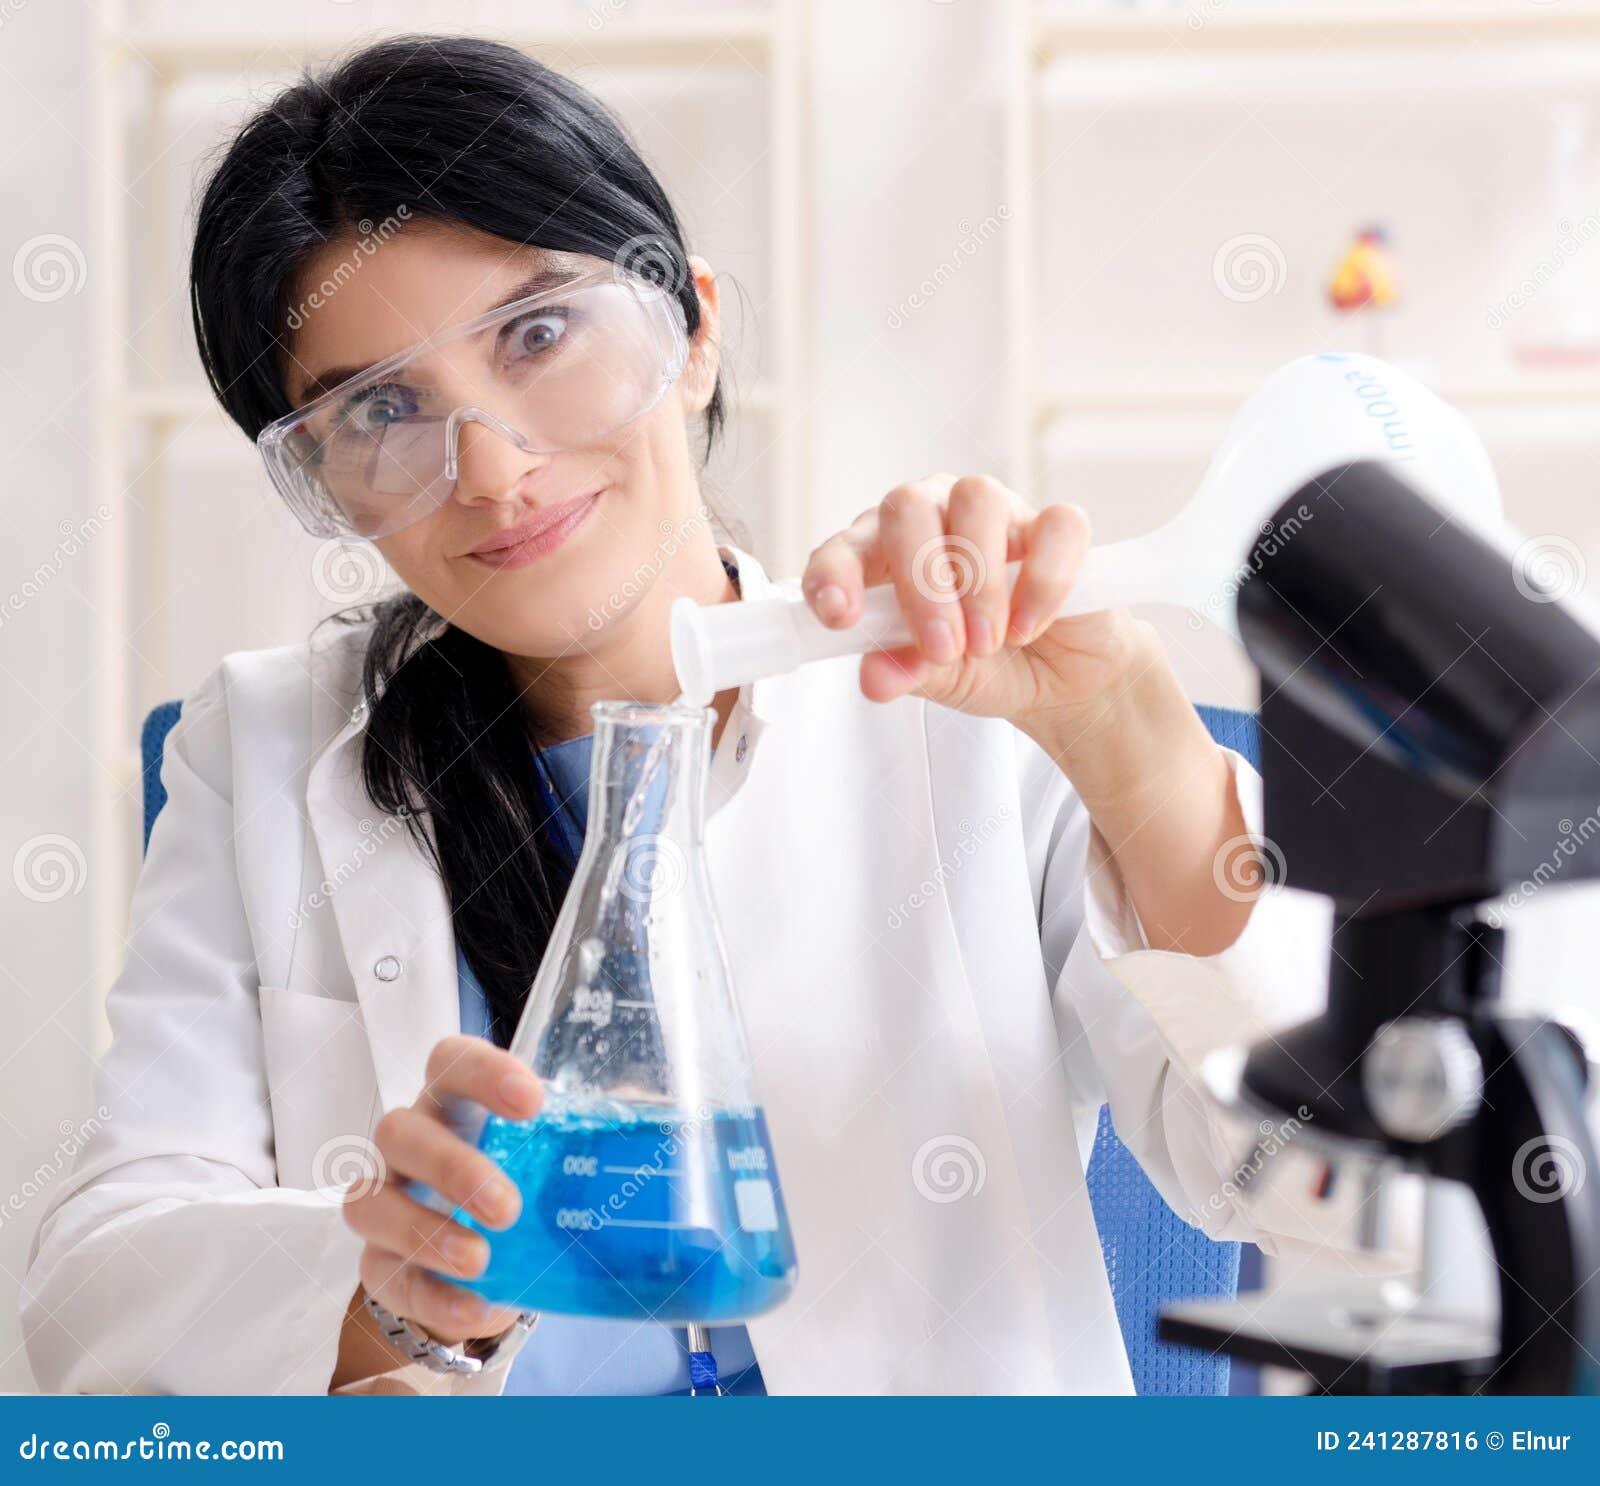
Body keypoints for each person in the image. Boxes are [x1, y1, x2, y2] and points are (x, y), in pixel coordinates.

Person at [22, 36, 1335, 1396]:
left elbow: (1320, 1184)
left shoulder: (962, 700)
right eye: (381, 410)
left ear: (693, 330)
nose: (494, 468)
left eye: (538, 334)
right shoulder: (267, 748)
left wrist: (1128, 736)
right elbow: (94, 1288)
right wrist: (388, 1294)